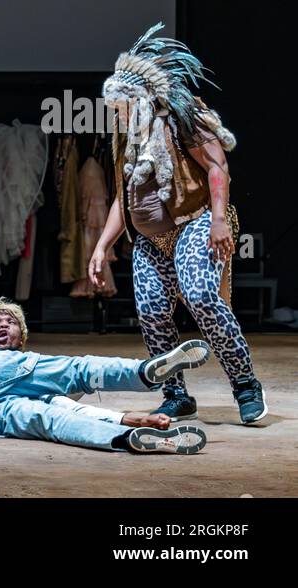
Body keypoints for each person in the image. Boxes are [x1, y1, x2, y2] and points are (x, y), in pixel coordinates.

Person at [0, 218, 209, 454]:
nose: (2, 325)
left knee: (53, 419)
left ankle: (125, 437)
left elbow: (71, 411)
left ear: (21, 338)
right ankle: (143, 374)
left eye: (11, 322)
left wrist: (124, 418)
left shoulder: (21, 366)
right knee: (75, 370)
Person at [90, 23, 267, 424]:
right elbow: (125, 195)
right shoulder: (127, 136)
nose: (117, 114)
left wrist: (220, 219)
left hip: (196, 221)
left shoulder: (183, 117)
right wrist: (102, 246)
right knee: (151, 310)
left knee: (202, 295)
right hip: (151, 239)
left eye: (122, 106)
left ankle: (244, 384)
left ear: (142, 98)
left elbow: (218, 165)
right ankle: (175, 394)